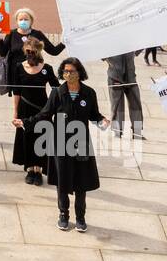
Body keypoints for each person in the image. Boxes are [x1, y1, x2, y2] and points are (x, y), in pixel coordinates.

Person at [22, 58, 109, 232]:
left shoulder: (89, 93)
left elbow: (94, 114)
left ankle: (81, 218)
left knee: (81, 182)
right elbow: (45, 114)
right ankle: (63, 214)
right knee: (63, 181)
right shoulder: (57, 93)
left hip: (81, 142)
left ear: (80, 73)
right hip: (60, 143)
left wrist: (102, 120)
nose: (68, 74)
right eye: (65, 71)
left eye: (72, 71)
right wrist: (25, 122)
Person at [10, 37, 59, 185]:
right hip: (25, 108)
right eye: (28, 51)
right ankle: (30, 169)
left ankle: (38, 170)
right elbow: (16, 91)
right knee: (27, 138)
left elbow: (56, 88)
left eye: (33, 51)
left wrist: (51, 106)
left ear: (39, 51)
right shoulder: (19, 67)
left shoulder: (46, 69)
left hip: (42, 109)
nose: (31, 54)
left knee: (41, 139)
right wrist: (15, 112)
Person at [0, 7, 65, 71]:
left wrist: (64, 42)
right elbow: (3, 54)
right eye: (20, 19)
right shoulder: (11, 34)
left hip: (34, 71)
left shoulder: (37, 34)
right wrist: (0, 39)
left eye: (26, 19)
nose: (23, 21)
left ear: (31, 21)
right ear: (17, 21)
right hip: (15, 72)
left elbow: (53, 51)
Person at [104, 50, 142, 140]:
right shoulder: (107, 42)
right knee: (117, 106)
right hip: (115, 78)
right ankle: (118, 131)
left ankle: (137, 131)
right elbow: (100, 53)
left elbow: (140, 48)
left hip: (131, 78)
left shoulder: (131, 40)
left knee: (136, 105)